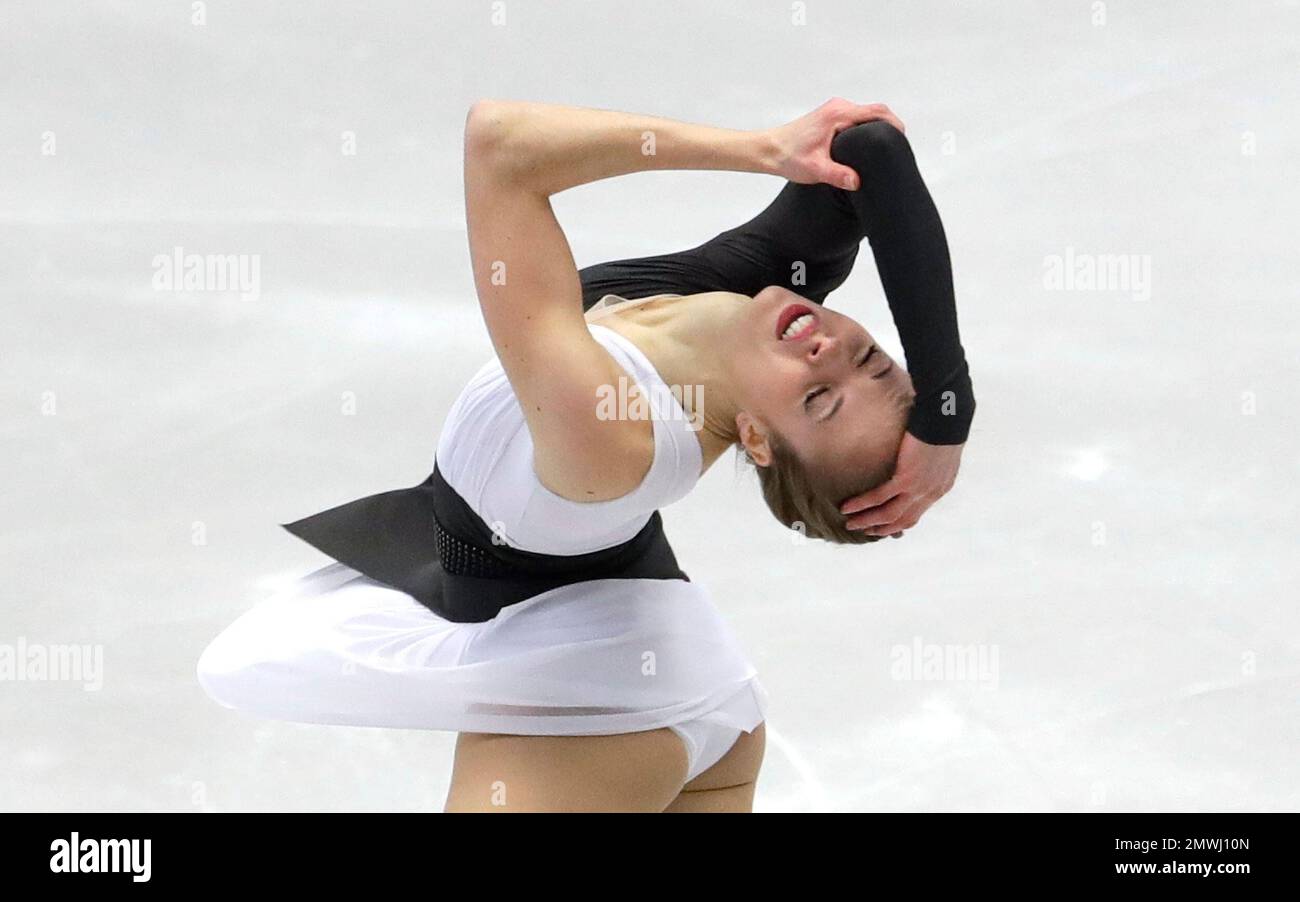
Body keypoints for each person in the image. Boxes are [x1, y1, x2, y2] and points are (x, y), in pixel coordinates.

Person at [196, 98, 975, 812]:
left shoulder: (613, 434)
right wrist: (946, 408)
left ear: (757, 439)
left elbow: (500, 149)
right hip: (655, 672)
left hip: (600, 715)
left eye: (818, 399)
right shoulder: (736, 305)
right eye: (868, 358)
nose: (824, 349)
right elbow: (866, 152)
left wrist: (760, 150)